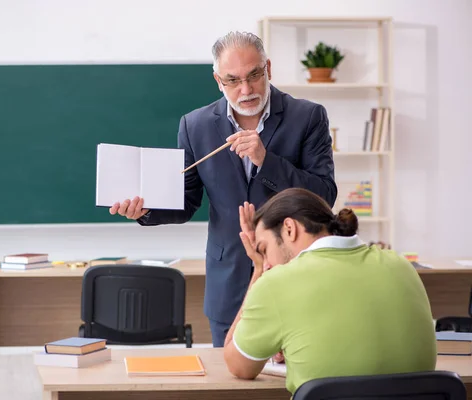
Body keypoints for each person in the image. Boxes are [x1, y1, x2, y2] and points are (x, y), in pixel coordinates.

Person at [109, 31, 338, 347]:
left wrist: (265, 160)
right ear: (218, 80)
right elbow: (187, 201)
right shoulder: (196, 125)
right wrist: (146, 210)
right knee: (231, 384)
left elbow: (324, 195)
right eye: (233, 80)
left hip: (295, 278)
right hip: (228, 285)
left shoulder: (308, 116)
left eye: (254, 75)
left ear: (268, 67)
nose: (246, 90)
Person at [223, 188, 437, 395]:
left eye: (263, 249)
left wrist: (258, 271)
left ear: (289, 228)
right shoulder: (401, 266)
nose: (267, 262)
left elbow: (238, 365)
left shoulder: (275, 283)